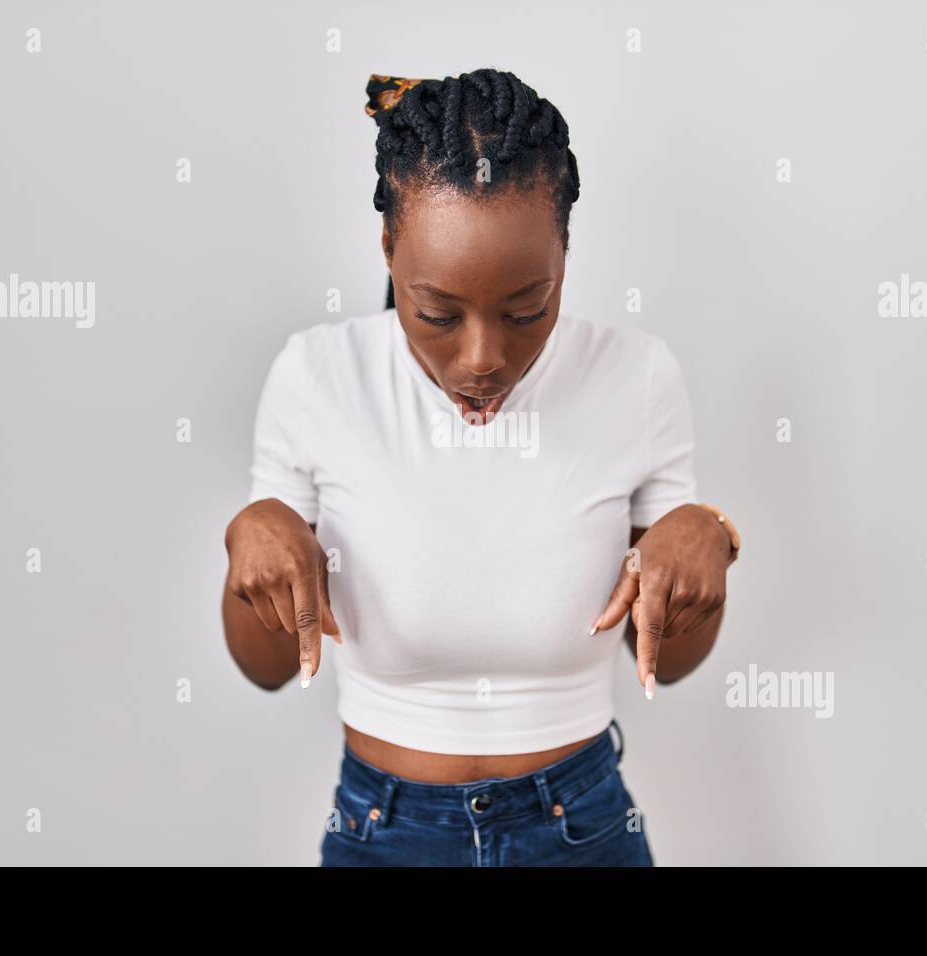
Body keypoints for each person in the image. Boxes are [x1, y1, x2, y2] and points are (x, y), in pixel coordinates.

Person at [222, 68, 741, 866]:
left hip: (583, 830)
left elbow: (667, 663)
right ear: (389, 246)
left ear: (565, 251)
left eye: (527, 311)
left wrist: (702, 537)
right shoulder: (317, 377)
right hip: (383, 834)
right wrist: (251, 535)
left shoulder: (637, 377)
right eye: (437, 314)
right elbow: (263, 667)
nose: (483, 359)